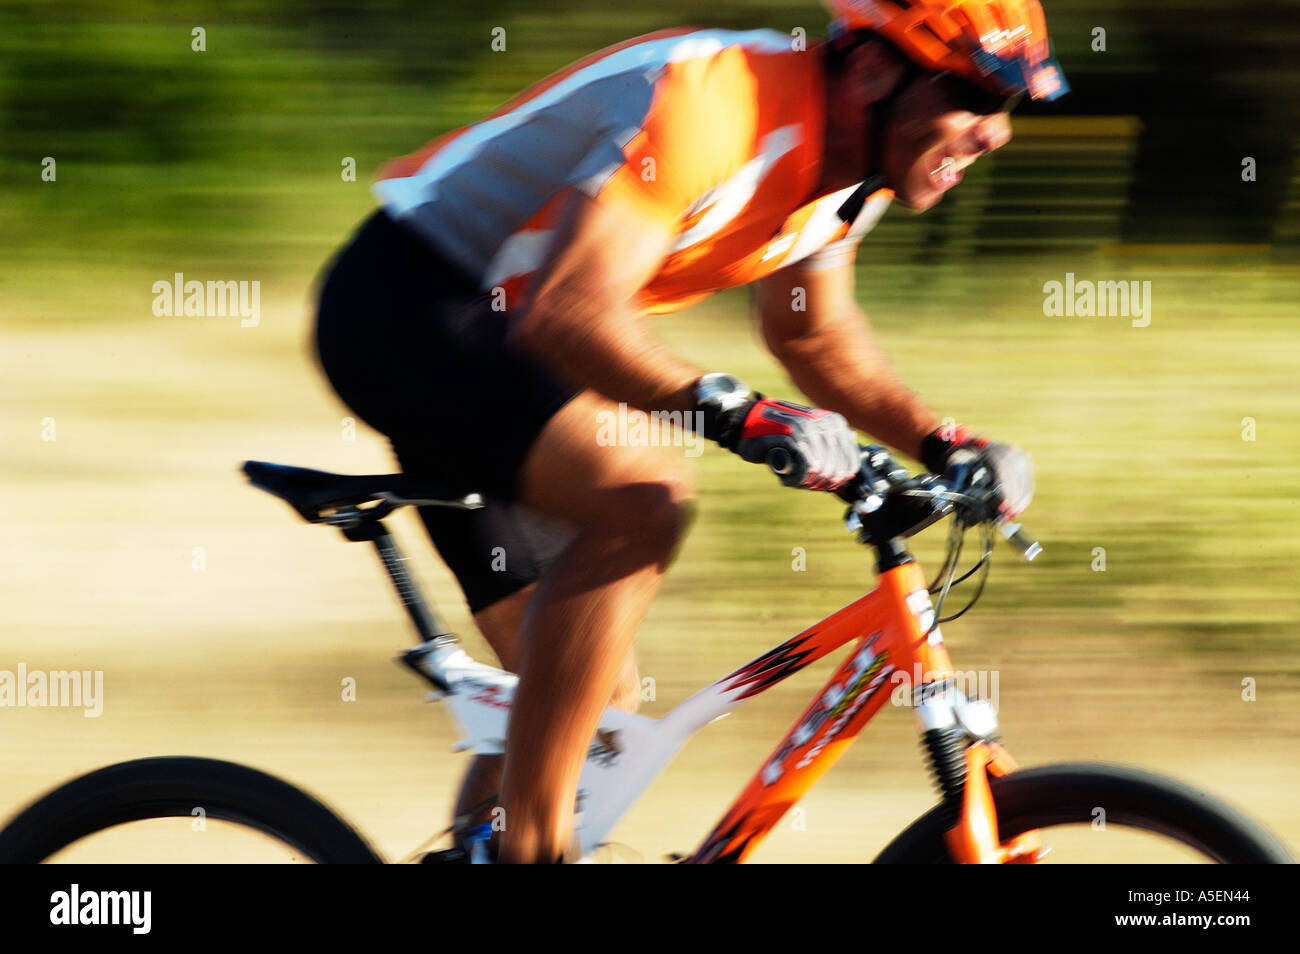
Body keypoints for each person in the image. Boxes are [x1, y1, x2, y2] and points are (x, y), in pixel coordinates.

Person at [313, 0, 1066, 862]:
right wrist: (740, 412)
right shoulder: (714, 105)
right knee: (643, 498)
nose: (995, 133)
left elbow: (811, 332)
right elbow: (568, 314)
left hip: (507, 346)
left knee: (590, 699)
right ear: (869, 72)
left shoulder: (849, 175)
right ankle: (535, 849)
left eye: (1007, 109)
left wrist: (943, 443)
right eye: (973, 97)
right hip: (412, 305)